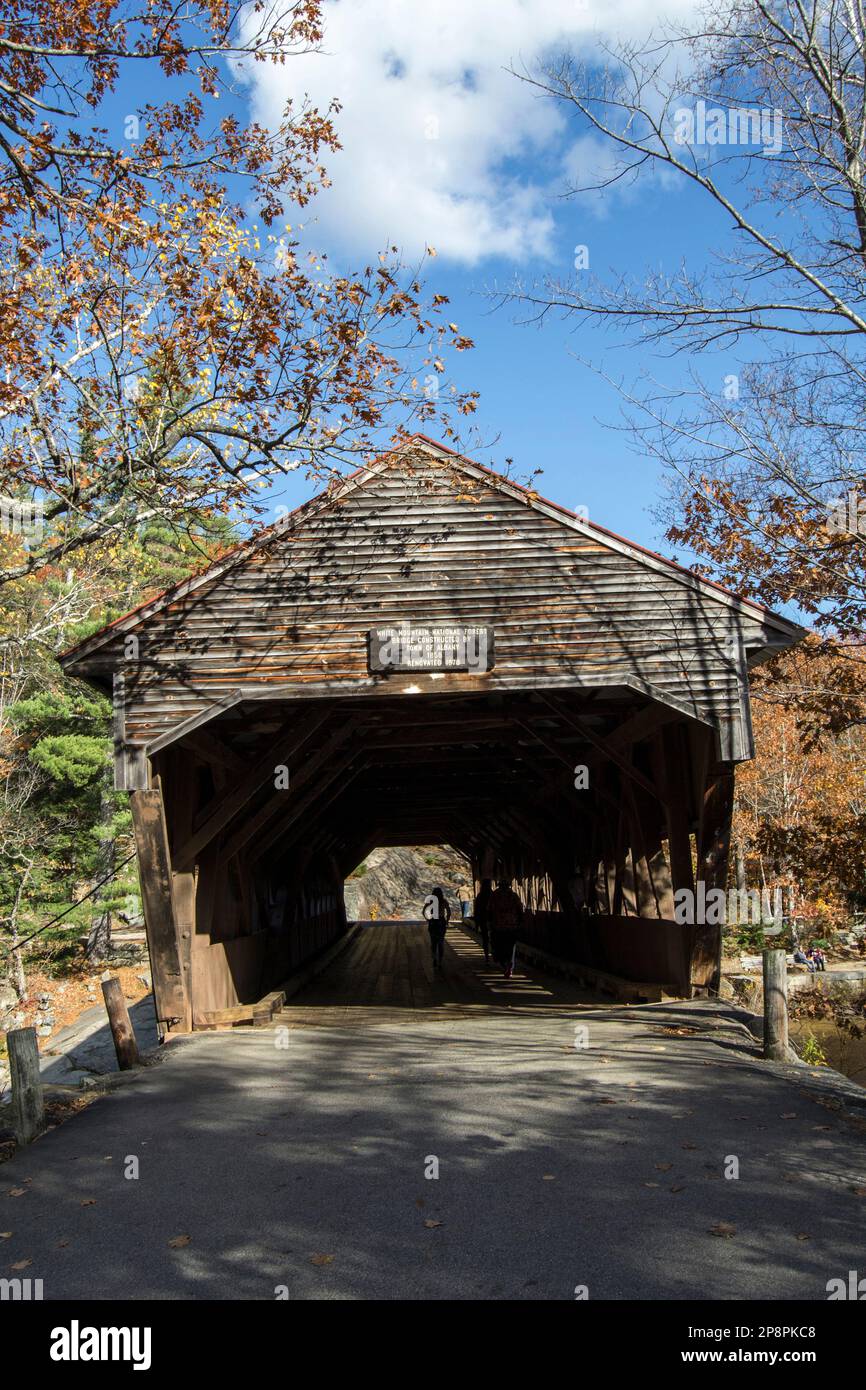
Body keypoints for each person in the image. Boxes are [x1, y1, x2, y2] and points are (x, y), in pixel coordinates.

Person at [488, 877, 524, 978]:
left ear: (499, 885)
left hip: (498, 926)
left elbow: (489, 910)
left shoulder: (494, 895)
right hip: (512, 926)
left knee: (498, 946)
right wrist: (520, 923)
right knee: (511, 947)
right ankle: (510, 965)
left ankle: (504, 964)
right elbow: (520, 910)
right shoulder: (514, 896)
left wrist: (489, 923)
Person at [426, 885, 450, 971]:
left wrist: (428, 919)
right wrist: (447, 921)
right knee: (440, 942)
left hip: (433, 922)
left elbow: (424, 911)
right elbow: (449, 911)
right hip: (441, 922)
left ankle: (434, 958)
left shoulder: (431, 901)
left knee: (433, 942)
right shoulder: (444, 901)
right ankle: (440, 961)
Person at [474, 877, 493, 964]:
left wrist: (476, 924)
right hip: (493, 920)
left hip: (482, 919)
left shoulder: (480, 896)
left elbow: (476, 910)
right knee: (494, 938)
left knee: (485, 939)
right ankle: (494, 954)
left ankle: (486, 957)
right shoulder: (493, 895)